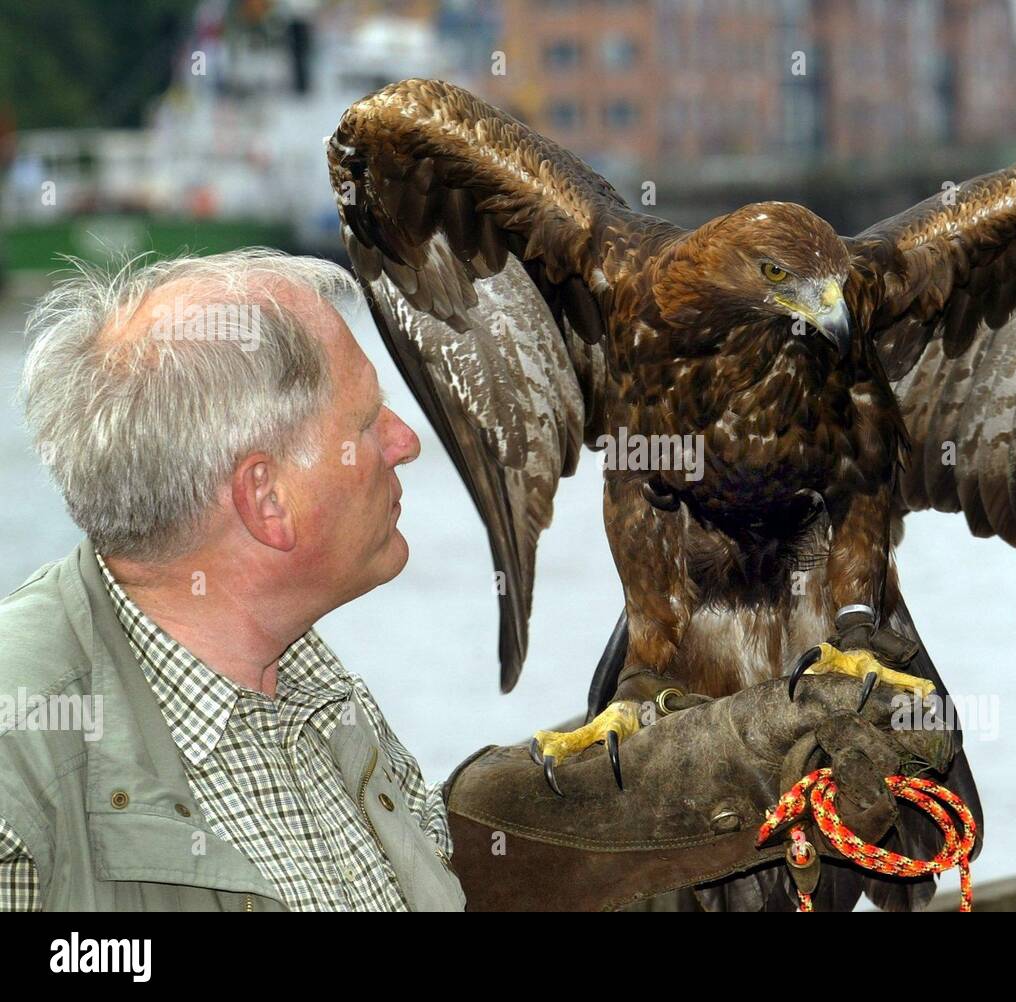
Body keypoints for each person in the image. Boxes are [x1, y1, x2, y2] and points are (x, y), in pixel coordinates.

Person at [0, 249, 956, 911]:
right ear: (267, 502)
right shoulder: (23, 771)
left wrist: (723, 780)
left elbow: (450, 890)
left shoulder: (302, 686)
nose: (407, 443)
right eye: (367, 421)